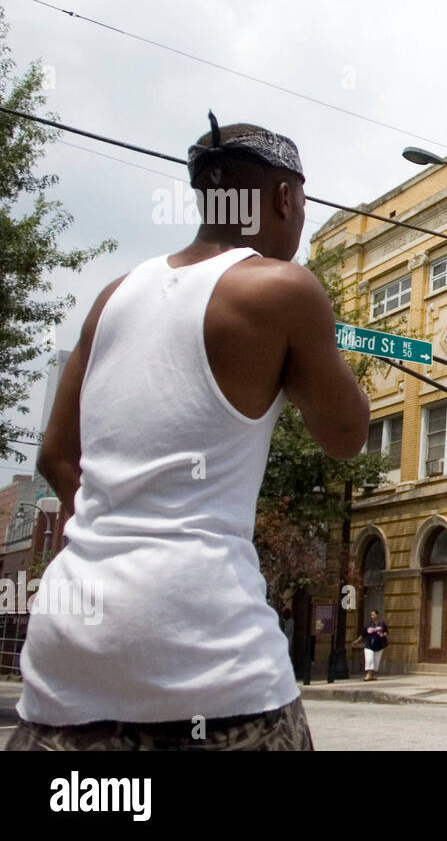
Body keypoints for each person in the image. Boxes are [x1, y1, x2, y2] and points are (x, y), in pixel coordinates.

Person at [7, 115, 371, 752]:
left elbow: (55, 456)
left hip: (69, 653)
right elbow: (347, 435)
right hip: (209, 658)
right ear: (285, 197)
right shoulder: (284, 289)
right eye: (305, 203)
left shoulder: (112, 297)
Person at [351, 610, 388, 681]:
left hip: (379, 645)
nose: (372, 616)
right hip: (369, 645)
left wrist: (383, 634)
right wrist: (357, 641)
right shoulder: (368, 625)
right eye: (371, 615)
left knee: (376, 661)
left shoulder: (382, 624)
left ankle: (372, 675)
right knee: (369, 659)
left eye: (373, 615)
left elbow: (386, 632)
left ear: (377, 615)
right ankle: (368, 675)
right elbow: (362, 635)